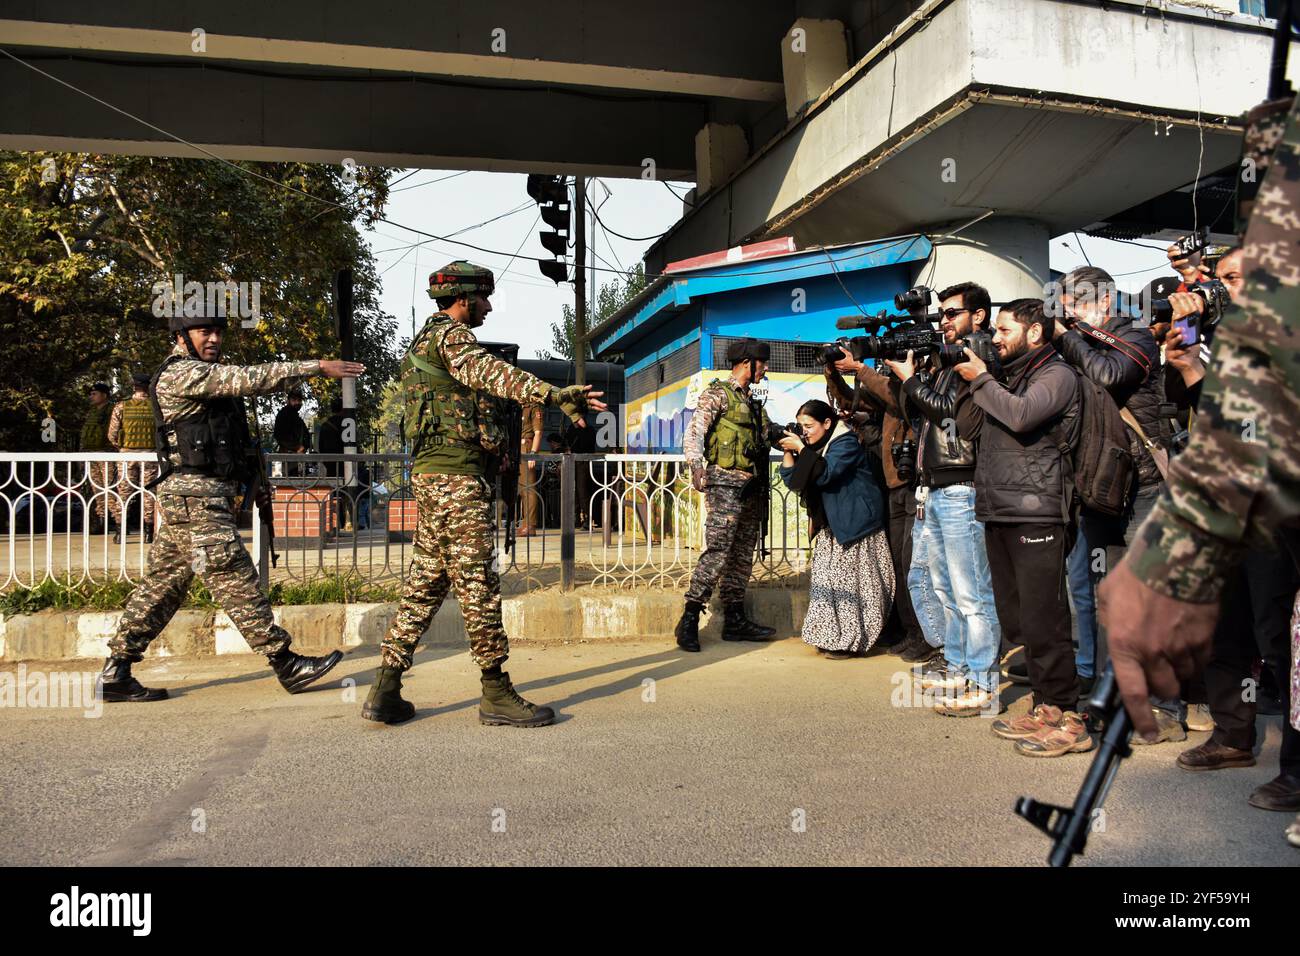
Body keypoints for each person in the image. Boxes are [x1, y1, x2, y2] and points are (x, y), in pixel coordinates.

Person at [1100, 90, 1300, 847]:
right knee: (1232, 626)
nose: (1224, 294)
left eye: (1242, 281)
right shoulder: (1208, 347)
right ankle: (1235, 732)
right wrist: (1187, 368)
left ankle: (1289, 751)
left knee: (1282, 631)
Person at [362, 261, 605, 726]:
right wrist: (554, 395)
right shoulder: (453, 338)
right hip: (456, 480)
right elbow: (492, 374)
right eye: (484, 299)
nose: (489, 307)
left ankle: (385, 689)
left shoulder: (422, 341)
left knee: (425, 585)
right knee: (479, 583)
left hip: (435, 476)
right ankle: (495, 691)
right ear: (464, 299)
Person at [99, 312, 363, 702]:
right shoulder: (181, 374)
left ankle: (115, 671)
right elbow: (251, 378)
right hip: (196, 500)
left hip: (195, 498)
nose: (214, 339)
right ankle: (284, 661)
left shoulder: (203, 376)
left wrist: (251, 483)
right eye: (205, 332)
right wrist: (316, 367)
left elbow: (228, 439)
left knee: (162, 587)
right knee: (235, 578)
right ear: (182, 337)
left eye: (218, 332)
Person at [1054, 265, 1184, 743]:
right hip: (1098, 489)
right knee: (1096, 598)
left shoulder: (1137, 340)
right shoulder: (1078, 345)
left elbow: (1108, 375)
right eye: (1064, 305)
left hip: (1145, 487)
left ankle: (1166, 709)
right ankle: (1104, 691)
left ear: (1105, 303)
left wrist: (1069, 338)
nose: (1066, 313)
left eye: (1076, 304)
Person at [954, 300, 1088, 749]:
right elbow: (966, 428)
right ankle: (1043, 705)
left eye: (1004, 330)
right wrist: (966, 378)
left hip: (1038, 510)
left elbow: (1021, 415)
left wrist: (984, 379)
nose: (994, 338)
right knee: (1018, 619)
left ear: (1034, 333)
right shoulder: (1005, 377)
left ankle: (1068, 715)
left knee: (1043, 617)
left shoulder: (1058, 374)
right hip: (999, 508)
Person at [884, 282, 1001, 712]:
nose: (944, 321)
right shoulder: (946, 358)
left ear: (979, 316)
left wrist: (912, 379)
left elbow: (949, 412)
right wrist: (911, 377)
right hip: (936, 483)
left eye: (952, 313)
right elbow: (918, 409)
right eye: (942, 314)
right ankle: (959, 669)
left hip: (961, 484)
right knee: (945, 588)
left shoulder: (977, 353)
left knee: (971, 593)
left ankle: (984, 683)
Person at [673, 338, 779, 652]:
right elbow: (694, 432)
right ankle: (690, 616)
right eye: (763, 362)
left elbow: (770, 434)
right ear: (748, 362)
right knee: (718, 551)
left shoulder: (753, 404)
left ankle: (735, 619)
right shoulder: (717, 394)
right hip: (724, 486)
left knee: (742, 555)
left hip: (751, 488)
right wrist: (696, 466)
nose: (767, 368)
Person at [826, 351, 930, 663]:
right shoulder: (889, 389)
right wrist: (832, 372)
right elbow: (850, 401)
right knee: (900, 561)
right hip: (894, 483)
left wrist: (860, 368)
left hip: (914, 484)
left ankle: (926, 636)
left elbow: (898, 399)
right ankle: (910, 632)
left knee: (914, 563)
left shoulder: (916, 386)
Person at [778, 399, 893, 658]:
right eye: (800, 426)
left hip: (855, 526)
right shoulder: (813, 447)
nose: (804, 431)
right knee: (827, 586)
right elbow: (794, 480)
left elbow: (827, 473)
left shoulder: (845, 442)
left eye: (808, 426)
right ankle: (829, 636)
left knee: (853, 589)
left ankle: (849, 641)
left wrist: (802, 450)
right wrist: (789, 451)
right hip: (832, 528)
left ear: (827, 423)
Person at [106, 373, 158, 544]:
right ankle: (149, 533)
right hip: (150, 455)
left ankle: (121, 533)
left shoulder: (121, 406)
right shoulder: (156, 406)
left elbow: (112, 435)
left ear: (134, 386)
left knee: (124, 493)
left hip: (127, 455)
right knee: (148, 493)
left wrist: (122, 447)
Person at [80, 382, 114, 533]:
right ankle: (101, 521)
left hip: (106, 454)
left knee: (110, 488)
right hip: (91, 454)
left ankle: (118, 521)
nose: (91, 396)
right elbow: (85, 434)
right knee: (97, 489)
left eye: (94, 394)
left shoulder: (112, 410)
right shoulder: (91, 412)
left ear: (104, 395)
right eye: (91, 394)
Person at [273, 388, 312, 476]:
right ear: (288, 400)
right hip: (289, 456)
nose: (297, 402)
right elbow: (280, 436)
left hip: (297, 456)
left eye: (299, 400)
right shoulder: (284, 414)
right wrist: (297, 447)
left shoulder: (294, 415)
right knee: (291, 482)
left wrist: (304, 446)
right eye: (294, 400)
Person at [518, 403, 543, 536]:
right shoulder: (516, 404)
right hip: (515, 447)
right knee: (521, 489)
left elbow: (538, 432)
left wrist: (533, 452)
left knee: (528, 488)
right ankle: (524, 523)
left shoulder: (533, 406)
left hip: (525, 445)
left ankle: (530, 525)